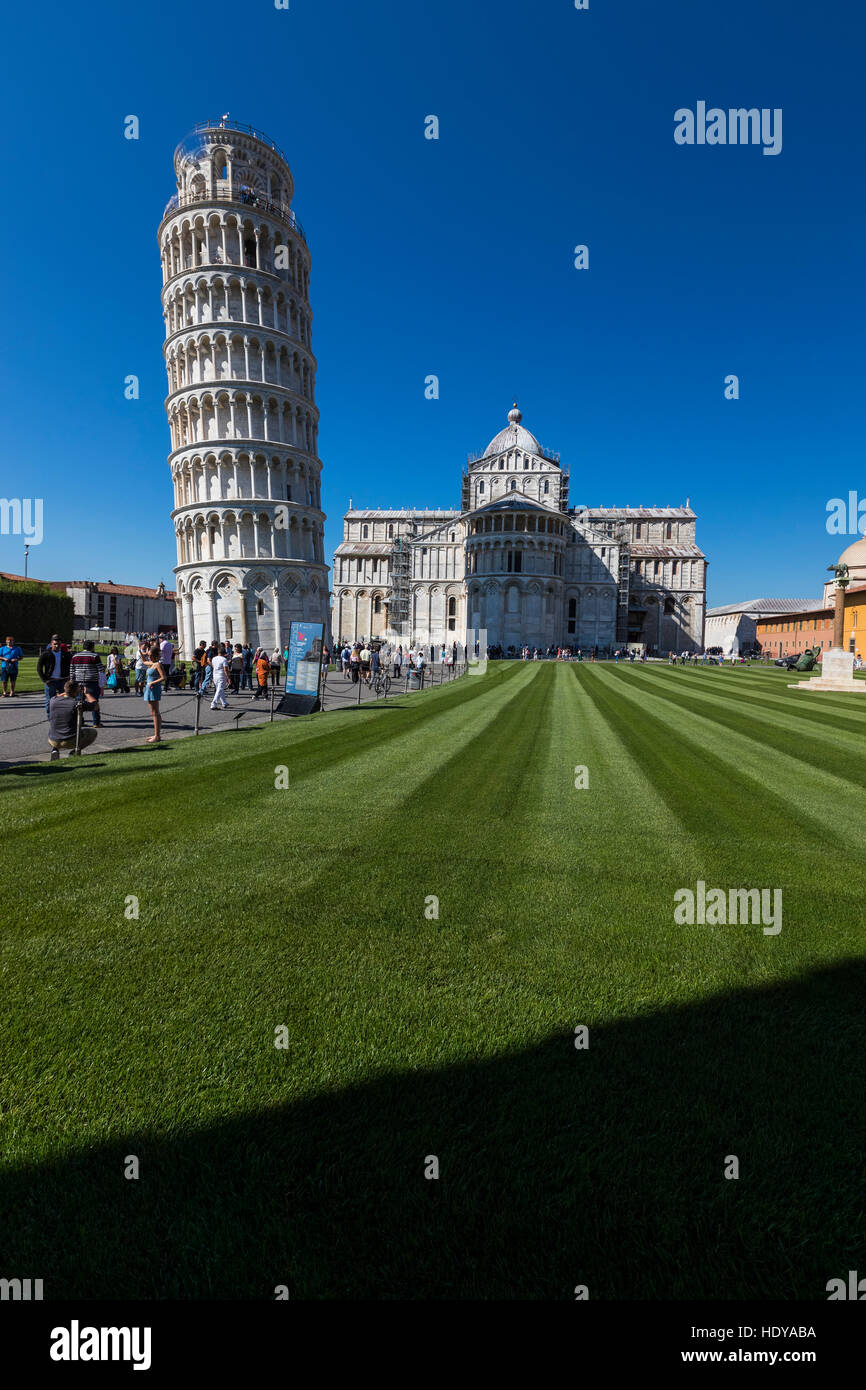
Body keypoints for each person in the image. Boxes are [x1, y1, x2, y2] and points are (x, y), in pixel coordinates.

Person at [48, 679, 99, 759]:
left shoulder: (53, 700)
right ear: (76, 691)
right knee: (93, 732)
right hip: (69, 740)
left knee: (58, 731)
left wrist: (68, 691)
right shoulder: (76, 703)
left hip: (53, 739)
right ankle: (74, 751)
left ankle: (55, 750)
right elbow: (95, 706)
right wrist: (87, 693)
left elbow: (60, 695)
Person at [69, 641, 104, 726]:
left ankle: (79, 721)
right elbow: (101, 670)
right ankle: (96, 722)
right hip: (92, 682)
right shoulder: (94, 656)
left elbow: (72, 671)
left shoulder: (75, 656)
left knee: (78, 702)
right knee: (93, 702)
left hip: (78, 682)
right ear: (92, 647)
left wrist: (72, 681)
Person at [37, 635, 71, 716]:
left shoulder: (65, 654)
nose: (57, 646)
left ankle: (63, 717)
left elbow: (70, 666)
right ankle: (50, 717)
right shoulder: (46, 654)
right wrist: (45, 680)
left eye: (58, 644)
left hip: (63, 680)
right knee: (50, 700)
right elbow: (39, 668)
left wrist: (69, 678)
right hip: (51, 680)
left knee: (64, 700)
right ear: (51, 644)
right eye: (55, 644)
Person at [143, 642, 166, 741]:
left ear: (156, 655)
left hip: (153, 688)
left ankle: (157, 736)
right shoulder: (152, 663)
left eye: (150, 655)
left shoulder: (157, 664)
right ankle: (157, 735)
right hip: (150, 688)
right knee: (154, 712)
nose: (149, 657)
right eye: (148, 656)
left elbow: (164, 677)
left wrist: (153, 683)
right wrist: (141, 652)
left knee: (155, 712)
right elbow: (144, 662)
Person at [210, 643, 231, 710]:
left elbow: (213, 666)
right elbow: (225, 669)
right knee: (219, 690)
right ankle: (213, 704)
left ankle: (224, 702)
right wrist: (228, 678)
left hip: (215, 675)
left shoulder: (213, 658)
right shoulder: (224, 660)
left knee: (220, 690)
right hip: (221, 676)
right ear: (224, 653)